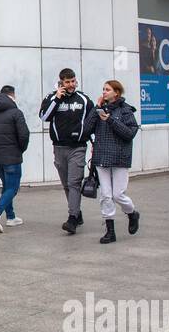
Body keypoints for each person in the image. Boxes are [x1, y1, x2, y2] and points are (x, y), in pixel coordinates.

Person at [40, 68, 97, 235]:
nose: (71, 84)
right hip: (59, 148)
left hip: (78, 148)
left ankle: (72, 218)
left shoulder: (84, 99)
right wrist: (57, 99)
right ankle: (77, 214)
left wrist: (90, 137)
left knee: (73, 183)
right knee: (66, 184)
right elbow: (44, 117)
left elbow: (93, 119)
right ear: (61, 82)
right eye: (67, 82)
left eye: (73, 81)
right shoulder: (52, 98)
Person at [90, 80, 139, 244]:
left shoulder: (126, 111)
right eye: (103, 89)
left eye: (108, 89)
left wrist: (110, 120)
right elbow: (87, 129)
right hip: (101, 156)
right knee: (106, 195)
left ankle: (132, 213)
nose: (104, 92)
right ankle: (110, 231)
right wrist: (95, 109)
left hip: (119, 157)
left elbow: (129, 133)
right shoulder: (99, 109)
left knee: (118, 194)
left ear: (116, 93)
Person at [0, 84, 30, 233]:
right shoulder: (16, 113)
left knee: (6, 186)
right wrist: (19, 149)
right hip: (12, 156)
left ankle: (11, 217)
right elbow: (24, 135)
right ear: (12, 96)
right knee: (13, 187)